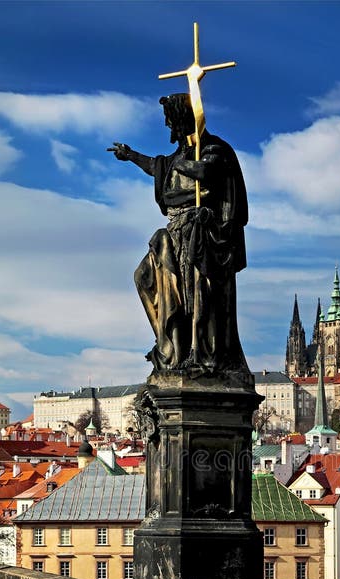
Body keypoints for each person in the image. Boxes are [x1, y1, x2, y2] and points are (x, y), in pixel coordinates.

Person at [108, 93, 249, 376]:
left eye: (170, 121)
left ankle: (201, 355)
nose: (168, 128)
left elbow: (207, 172)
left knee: (199, 296)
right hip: (174, 232)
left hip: (203, 235)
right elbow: (157, 168)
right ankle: (171, 345)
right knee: (144, 277)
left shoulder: (214, 149)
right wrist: (131, 155)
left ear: (183, 120)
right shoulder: (179, 156)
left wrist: (186, 157)